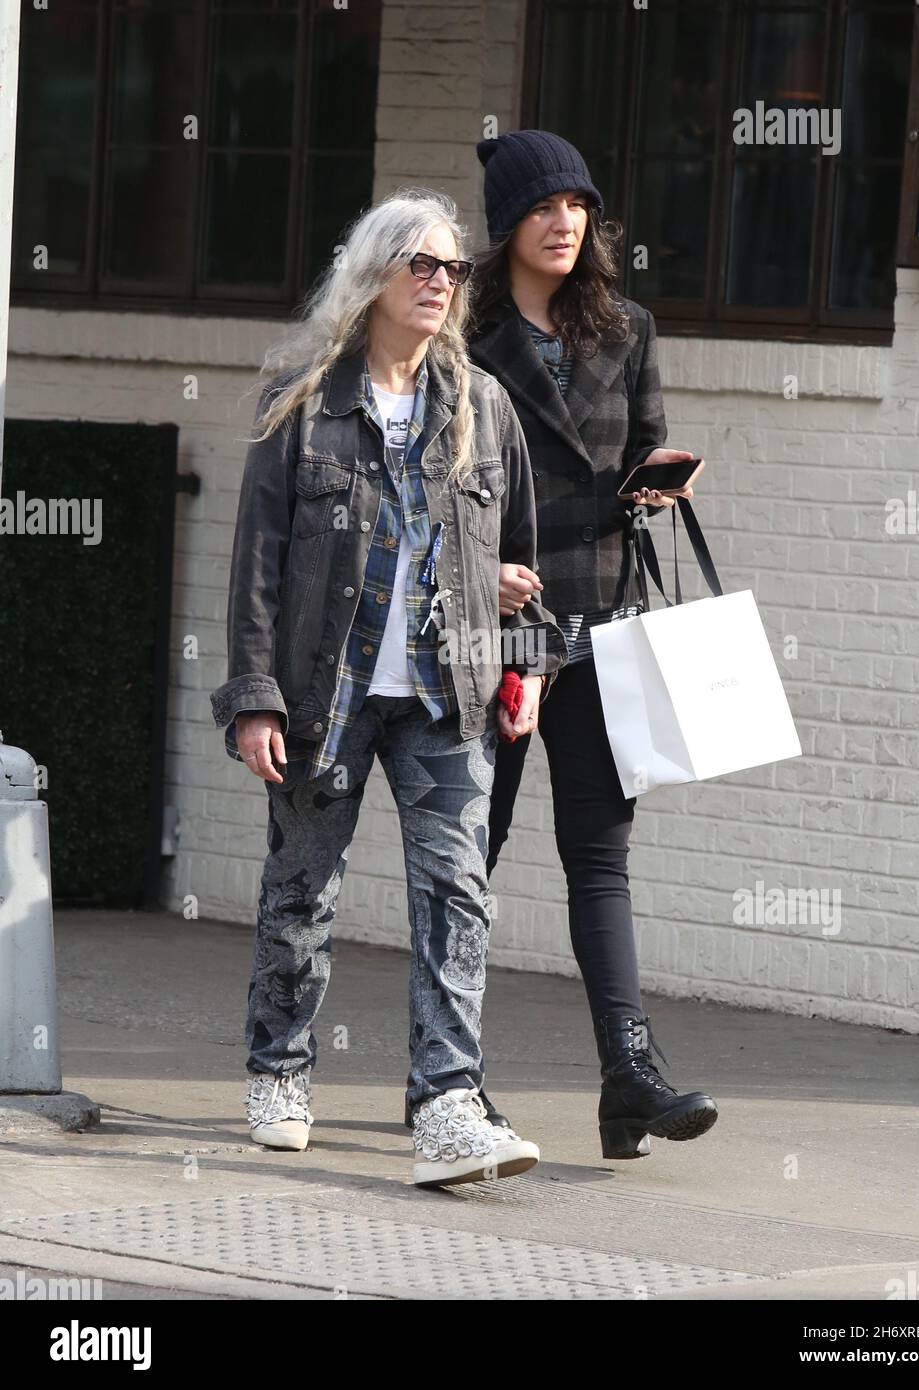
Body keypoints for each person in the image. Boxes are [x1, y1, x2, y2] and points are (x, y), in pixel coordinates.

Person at [210, 189, 566, 1187]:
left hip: (447, 692)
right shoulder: (304, 400)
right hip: (328, 688)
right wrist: (253, 696)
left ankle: (449, 1104)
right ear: (372, 274)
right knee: (304, 887)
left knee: (458, 891)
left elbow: (520, 562)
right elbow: (257, 567)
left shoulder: (483, 406)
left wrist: (523, 664)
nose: (438, 282)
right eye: (420, 262)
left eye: (452, 268)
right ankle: (279, 1068)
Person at [466, 131, 719, 1161]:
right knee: (467, 852)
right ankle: (446, 1075)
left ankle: (630, 1075)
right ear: (507, 229)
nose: (565, 221)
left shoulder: (629, 327)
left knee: (600, 858)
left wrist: (660, 483)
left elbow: (644, 445)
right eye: (544, 208)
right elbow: (442, 482)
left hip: (601, 622)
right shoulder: (467, 342)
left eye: (577, 204)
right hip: (501, 626)